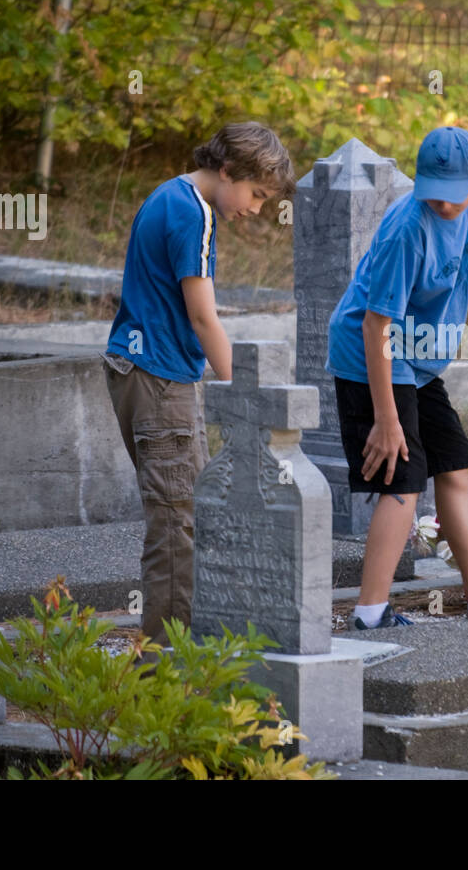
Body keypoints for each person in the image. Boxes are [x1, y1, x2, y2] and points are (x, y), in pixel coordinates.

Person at [327, 126, 468, 628]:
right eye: (433, 195)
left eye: (452, 197)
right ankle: (371, 612)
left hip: (419, 360)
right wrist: (386, 418)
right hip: (370, 353)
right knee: (404, 478)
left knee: (456, 466)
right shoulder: (406, 228)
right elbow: (377, 324)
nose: (442, 207)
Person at [103, 122, 295, 645]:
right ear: (228, 171)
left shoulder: (166, 195)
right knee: (177, 527)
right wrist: (246, 401)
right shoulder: (194, 214)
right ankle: (169, 667)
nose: (255, 209)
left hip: (133, 370)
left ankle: (174, 651)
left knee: (178, 517)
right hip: (162, 380)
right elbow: (203, 318)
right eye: (255, 194)